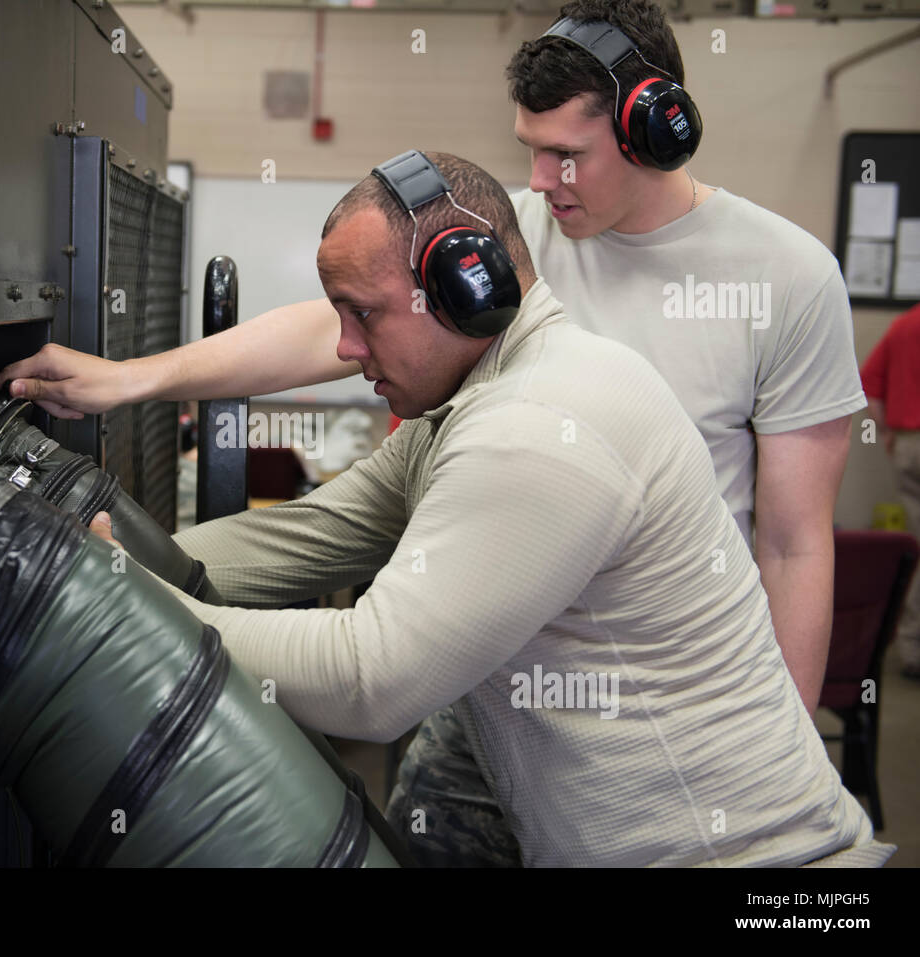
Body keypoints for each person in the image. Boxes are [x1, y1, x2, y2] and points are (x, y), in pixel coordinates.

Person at [0, 0, 860, 724]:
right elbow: (342, 324)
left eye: (568, 155)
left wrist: (779, 734)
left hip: (640, 705)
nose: (544, 178)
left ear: (656, 129)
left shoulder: (785, 277)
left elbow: (791, 544)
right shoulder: (515, 237)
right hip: (479, 680)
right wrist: (134, 376)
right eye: (530, 148)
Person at [83, 150, 888, 867]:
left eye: (363, 312)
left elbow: (371, 678)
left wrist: (127, 600)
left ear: (465, 288)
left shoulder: (535, 425)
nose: (343, 348)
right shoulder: (477, 402)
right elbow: (317, 533)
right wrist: (118, 547)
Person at [861, 302, 920, 679]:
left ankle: (912, 648)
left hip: (909, 446)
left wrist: (885, 434)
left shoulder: (904, 325)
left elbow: (868, 385)